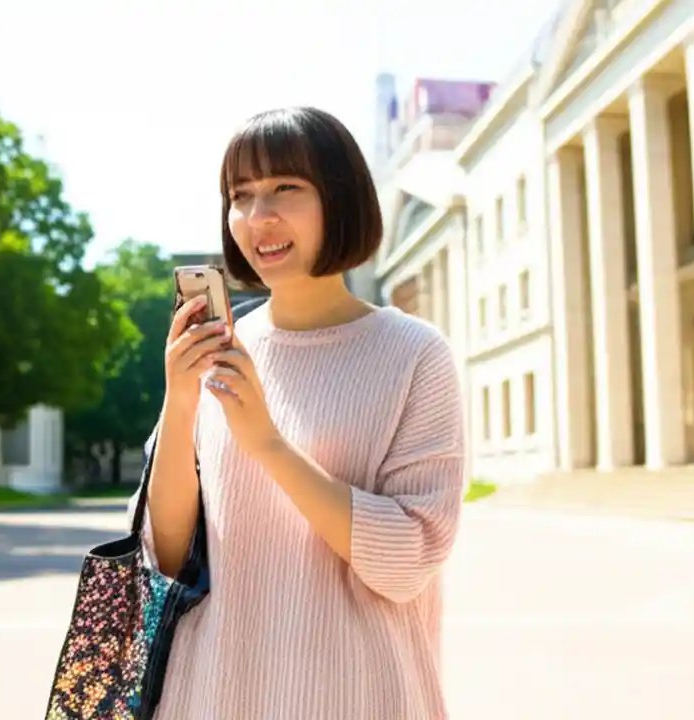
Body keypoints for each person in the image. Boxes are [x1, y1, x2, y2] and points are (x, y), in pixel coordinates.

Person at [136, 106, 466, 719]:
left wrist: (268, 445)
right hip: (215, 694)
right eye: (241, 195)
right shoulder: (219, 350)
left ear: (339, 199)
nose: (259, 217)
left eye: (286, 188)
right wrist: (180, 402)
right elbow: (169, 558)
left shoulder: (415, 354)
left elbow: (410, 559)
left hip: (360, 695)